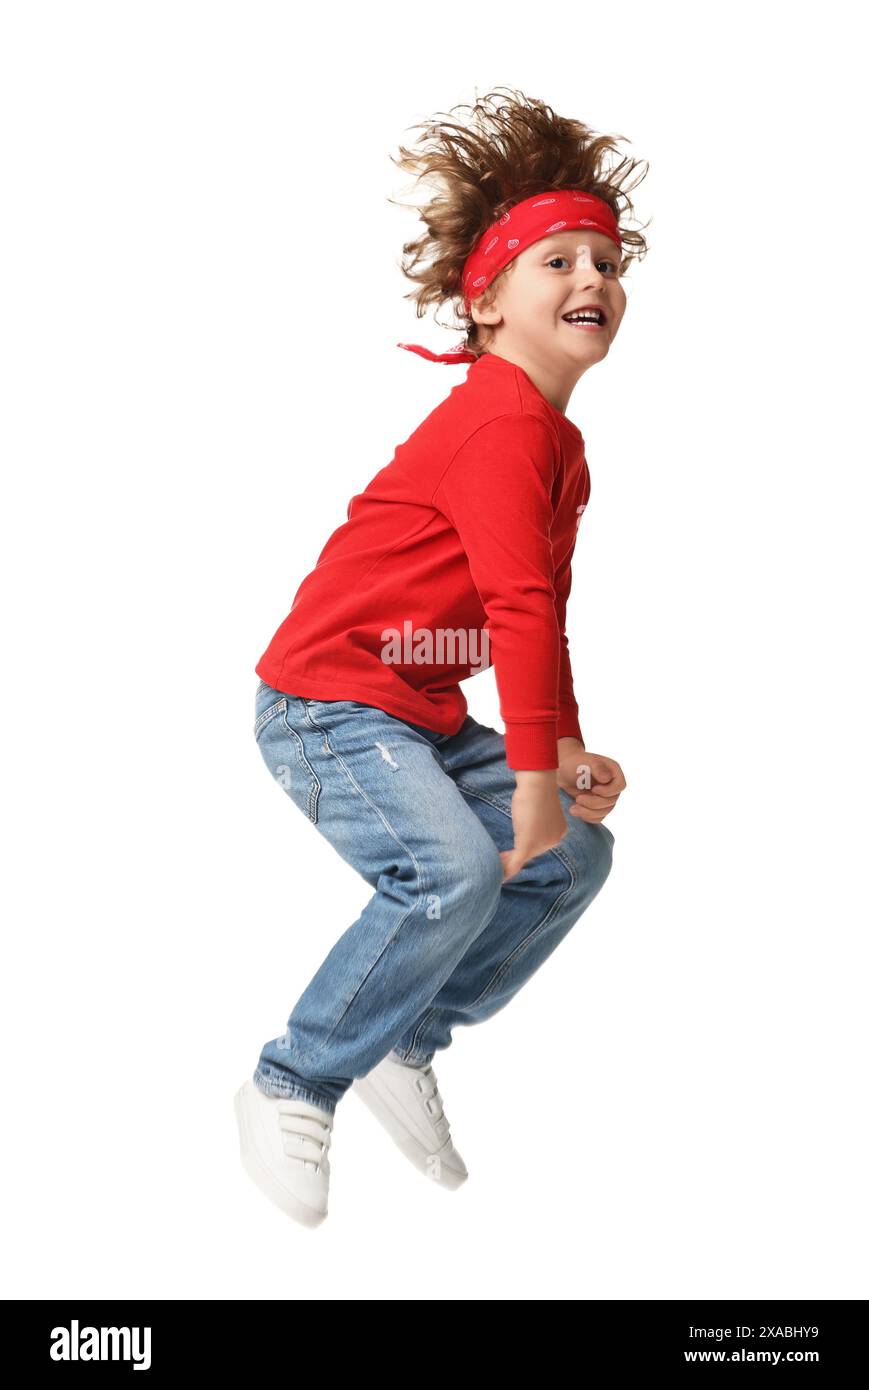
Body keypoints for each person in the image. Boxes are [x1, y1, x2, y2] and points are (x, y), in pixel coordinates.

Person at [234, 87, 649, 1227]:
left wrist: (559, 757)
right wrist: (523, 782)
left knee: (571, 859)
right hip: (325, 701)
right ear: (484, 300)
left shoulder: (554, 442)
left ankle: (398, 1034)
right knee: (458, 873)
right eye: (556, 260)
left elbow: (539, 611)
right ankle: (295, 1075)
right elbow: (512, 606)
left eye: (606, 263)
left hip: (406, 705)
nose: (591, 281)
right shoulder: (499, 419)